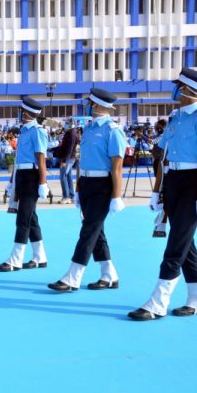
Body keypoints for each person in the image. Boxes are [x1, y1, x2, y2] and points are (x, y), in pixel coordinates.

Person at [128, 68, 197, 320]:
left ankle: (159, 301)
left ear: (190, 90)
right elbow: (162, 155)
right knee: (186, 243)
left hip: (193, 182)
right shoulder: (176, 116)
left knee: (177, 243)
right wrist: (157, 191)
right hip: (174, 180)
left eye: (179, 85)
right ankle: (194, 298)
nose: (175, 90)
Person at [47, 88, 126, 292]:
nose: (87, 105)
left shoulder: (113, 130)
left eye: (90, 102)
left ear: (99, 104)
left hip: (103, 185)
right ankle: (109, 275)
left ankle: (73, 276)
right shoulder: (89, 129)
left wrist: (116, 196)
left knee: (89, 230)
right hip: (87, 184)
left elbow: (117, 166)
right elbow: (83, 161)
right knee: (95, 231)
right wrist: (78, 187)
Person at [0, 97, 50, 272]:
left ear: (28, 113)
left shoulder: (38, 131)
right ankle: (39, 256)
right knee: (31, 218)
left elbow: (41, 159)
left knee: (23, 219)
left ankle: (15, 259)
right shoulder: (25, 131)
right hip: (22, 175)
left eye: (22, 111)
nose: (20, 114)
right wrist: (12, 182)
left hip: (32, 176)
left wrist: (43, 182)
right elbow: (18, 161)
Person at [150, 118, 169, 238]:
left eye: (159, 125)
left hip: (164, 166)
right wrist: (155, 192)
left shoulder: (163, 137)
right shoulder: (162, 137)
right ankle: (161, 222)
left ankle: (162, 222)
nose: (158, 127)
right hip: (161, 165)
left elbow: (154, 148)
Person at [54, 125, 79, 204]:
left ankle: (66, 196)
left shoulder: (71, 134)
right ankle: (71, 196)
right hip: (69, 157)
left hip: (68, 158)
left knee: (63, 176)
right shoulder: (70, 133)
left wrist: (64, 161)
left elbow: (69, 149)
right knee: (68, 176)